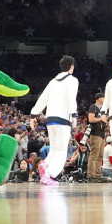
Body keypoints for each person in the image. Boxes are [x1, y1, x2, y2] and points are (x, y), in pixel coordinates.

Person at [30, 55, 79, 186]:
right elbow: (71, 98)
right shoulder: (72, 80)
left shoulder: (53, 81)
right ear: (72, 67)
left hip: (50, 119)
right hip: (63, 118)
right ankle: (49, 174)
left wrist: (33, 114)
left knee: (54, 150)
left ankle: (45, 165)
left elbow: (43, 98)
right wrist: (74, 115)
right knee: (61, 151)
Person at [86, 94, 108, 182]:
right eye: (103, 97)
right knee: (94, 155)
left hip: (102, 134)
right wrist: (101, 119)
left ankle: (98, 174)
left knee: (100, 155)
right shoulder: (93, 107)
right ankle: (91, 174)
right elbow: (91, 119)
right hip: (95, 133)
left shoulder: (104, 109)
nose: (104, 99)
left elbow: (105, 119)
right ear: (98, 98)